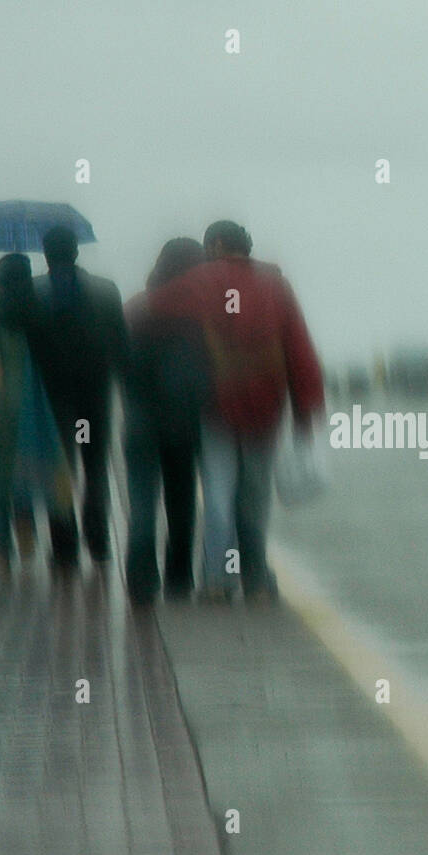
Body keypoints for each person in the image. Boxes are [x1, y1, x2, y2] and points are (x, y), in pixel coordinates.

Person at [147, 221, 324, 603]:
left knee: (218, 492)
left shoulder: (201, 280)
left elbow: (153, 307)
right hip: (266, 405)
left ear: (217, 244)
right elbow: (298, 346)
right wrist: (307, 406)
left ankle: (217, 578)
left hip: (216, 406)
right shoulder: (276, 285)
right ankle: (256, 578)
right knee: (255, 495)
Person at [0, 253, 78, 573]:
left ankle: (2, 550)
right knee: (24, 475)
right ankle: (26, 537)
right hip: (31, 413)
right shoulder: (37, 310)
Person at [29, 225, 128, 562]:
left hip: (52, 400)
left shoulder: (33, 292)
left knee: (59, 469)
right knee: (95, 468)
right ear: (76, 252)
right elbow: (121, 346)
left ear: (45, 254)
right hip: (95, 397)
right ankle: (98, 541)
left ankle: (64, 546)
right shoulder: (106, 291)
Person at [122, 238, 210, 604]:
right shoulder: (199, 312)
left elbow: (120, 364)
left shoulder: (135, 309)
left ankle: (141, 580)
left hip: (140, 420)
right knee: (181, 500)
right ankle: (179, 577)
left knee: (142, 502)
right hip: (184, 422)